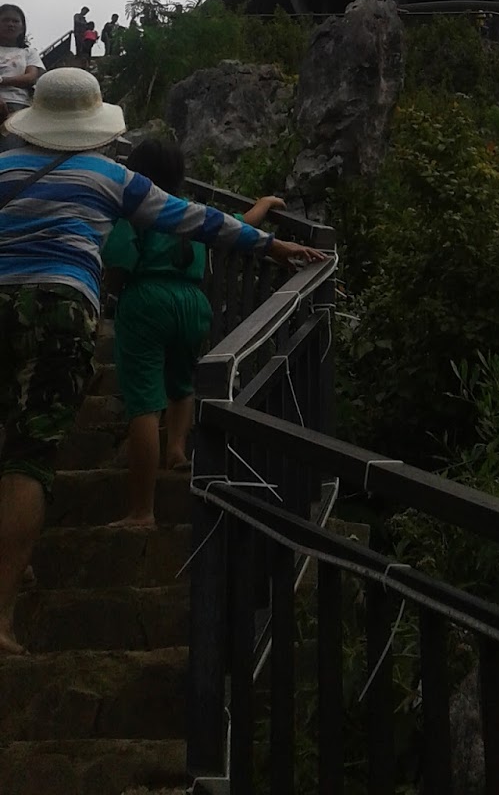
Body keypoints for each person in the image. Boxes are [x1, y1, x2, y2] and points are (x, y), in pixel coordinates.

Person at [0, 68, 325, 655]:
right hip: (62, 308)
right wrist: (269, 244)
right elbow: (195, 218)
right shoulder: (110, 176)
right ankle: (1, 614)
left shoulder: (3, 169)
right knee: (29, 455)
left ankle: (16, 560)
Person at [103, 137, 289, 527]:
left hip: (147, 299)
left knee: (144, 403)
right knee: (182, 382)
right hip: (192, 303)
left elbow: (119, 261)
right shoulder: (193, 211)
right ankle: (176, 450)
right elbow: (239, 225)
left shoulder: (137, 212)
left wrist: (111, 294)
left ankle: (142, 510)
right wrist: (266, 204)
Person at [0, 6, 44, 128]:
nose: (10, 24)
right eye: (5, 20)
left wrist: (1, 80)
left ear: (22, 27)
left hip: (19, 105)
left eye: (15, 21)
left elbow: (30, 78)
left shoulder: (29, 53)